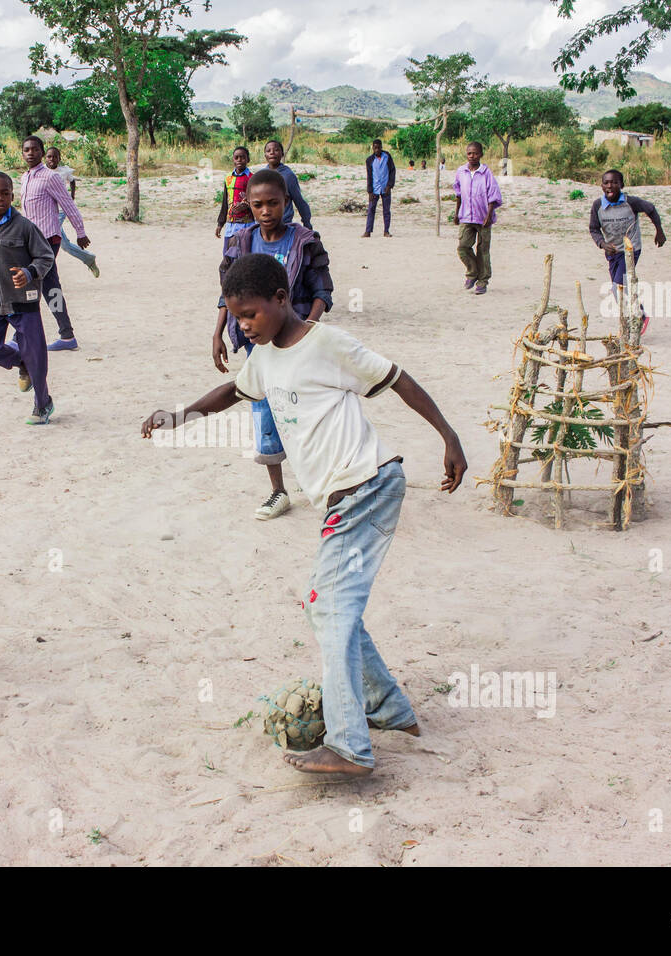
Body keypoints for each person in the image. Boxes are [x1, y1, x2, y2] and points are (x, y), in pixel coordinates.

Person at [143, 254, 467, 776]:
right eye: (235, 318)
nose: (243, 326)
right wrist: (180, 415)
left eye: (250, 314)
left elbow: (397, 378)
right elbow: (232, 390)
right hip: (343, 498)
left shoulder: (328, 344)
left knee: (331, 608)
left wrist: (449, 437)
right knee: (330, 608)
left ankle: (349, 747)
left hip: (369, 486)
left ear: (280, 298)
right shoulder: (265, 358)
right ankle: (390, 710)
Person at [213, 168, 333, 520]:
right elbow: (227, 294)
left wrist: (309, 326)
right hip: (258, 346)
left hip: (299, 343)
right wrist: (218, 332)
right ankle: (278, 490)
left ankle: (328, 483)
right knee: (264, 409)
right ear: (248, 205)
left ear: (287, 203)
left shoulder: (304, 241)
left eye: (274, 203)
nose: (266, 211)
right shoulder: (240, 243)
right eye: (258, 204)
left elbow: (322, 290)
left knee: (308, 409)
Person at [0, 172, 57, 425]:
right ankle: (22, 362)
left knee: (37, 356)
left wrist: (29, 272)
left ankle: (43, 405)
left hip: (24, 302)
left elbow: (45, 257)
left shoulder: (25, 227)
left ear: (12, 195)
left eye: (5, 193)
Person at [19, 135, 90, 351]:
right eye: (26, 150)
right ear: (22, 154)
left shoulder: (50, 177)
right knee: (49, 287)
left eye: (34, 149)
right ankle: (66, 336)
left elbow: (68, 204)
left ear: (42, 153)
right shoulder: (25, 178)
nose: (30, 153)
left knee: (37, 286)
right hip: (30, 242)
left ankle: (24, 335)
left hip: (48, 240)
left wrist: (80, 231)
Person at [589, 169, 667, 335]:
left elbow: (651, 209)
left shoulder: (630, 202)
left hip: (631, 250)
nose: (610, 186)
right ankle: (632, 316)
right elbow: (594, 229)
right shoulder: (598, 206)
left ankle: (639, 318)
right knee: (621, 289)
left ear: (622, 185)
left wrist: (659, 231)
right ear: (602, 185)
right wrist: (602, 243)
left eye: (615, 182)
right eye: (606, 183)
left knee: (618, 287)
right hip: (612, 252)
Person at [452, 142, 503, 295]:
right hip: (466, 216)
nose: (472, 156)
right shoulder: (461, 171)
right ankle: (472, 273)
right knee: (463, 247)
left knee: (482, 250)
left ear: (481, 154)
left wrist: (488, 215)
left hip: (483, 218)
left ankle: (482, 281)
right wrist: (456, 213)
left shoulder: (486, 173)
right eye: (469, 153)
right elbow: (459, 195)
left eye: (475, 153)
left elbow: (493, 196)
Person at [44, 146, 99, 278]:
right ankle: (88, 258)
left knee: (47, 236)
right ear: (45, 158)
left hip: (60, 211)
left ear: (59, 158)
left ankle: (46, 270)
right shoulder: (42, 171)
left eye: (55, 157)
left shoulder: (63, 171)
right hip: (47, 211)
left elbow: (72, 181)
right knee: (65, 245)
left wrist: (72, 196)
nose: (52, 159)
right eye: (49, 156)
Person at [262, 139, 313, 230]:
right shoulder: (261, 175)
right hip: (264, 225)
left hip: (283, 225)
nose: (272, 152)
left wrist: (307, 223)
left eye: (276, 150)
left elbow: (299, 201)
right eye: (268, 151)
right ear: (265, 155)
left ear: (282, 154)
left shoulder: (288, 176)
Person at [215, 146, 253, 254]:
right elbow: (225, 203)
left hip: (247, 224)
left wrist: (247, 203)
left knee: (244, 255)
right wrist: (220, 224)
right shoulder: (228, 178)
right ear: (233, 160)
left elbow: (256, 201)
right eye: (236, 157)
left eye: (243, 157)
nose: (239, 160)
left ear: (248, 159)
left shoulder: (252, 178)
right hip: (230, 225)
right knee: (228, 255)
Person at [363, 139, 395, 238]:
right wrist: (370, 191)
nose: (377, 150)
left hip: (386, 188)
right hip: (374, 189)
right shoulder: (369, 160)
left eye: (378, 148)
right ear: (372, 148)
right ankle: (368, 231)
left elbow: (392, 171)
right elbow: (369, 176)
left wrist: (390, 185)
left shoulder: (387, 156)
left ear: (381, 147)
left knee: (386, 211)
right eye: (375, 148)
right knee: (371, 210)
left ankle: (386, 231)